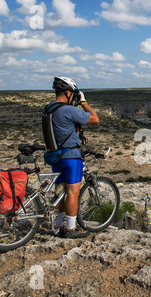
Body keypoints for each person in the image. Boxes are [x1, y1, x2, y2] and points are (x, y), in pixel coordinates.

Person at [44, 76, 99, 238]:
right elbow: (95, 119)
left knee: (60, 192)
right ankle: (70, 228)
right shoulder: (69, 110)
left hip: (56, 157)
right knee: (72, 192)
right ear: (68, 92)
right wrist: (83, 103)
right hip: (71, 157)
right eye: (73, 94)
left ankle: (58, 224)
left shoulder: (48, 109)